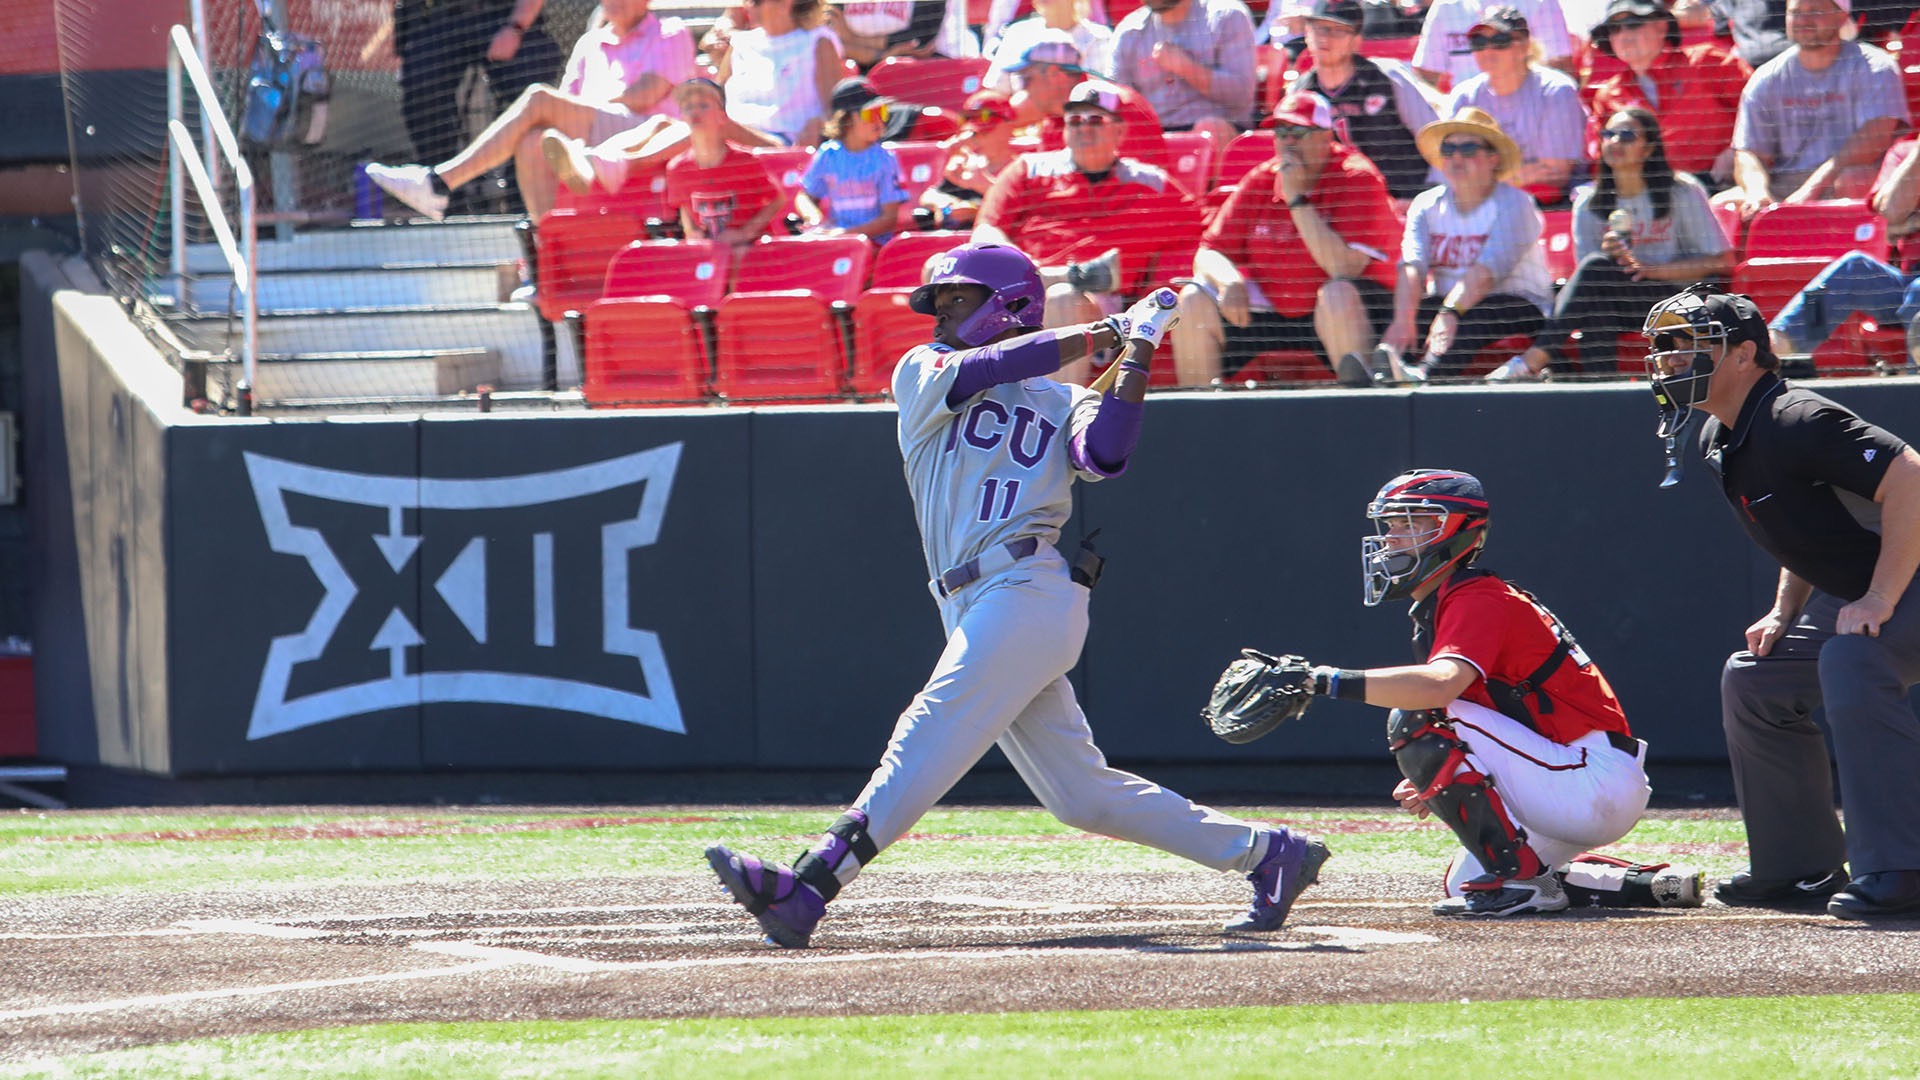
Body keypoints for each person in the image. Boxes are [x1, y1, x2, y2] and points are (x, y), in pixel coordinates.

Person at [703, 243, 1331, 947]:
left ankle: (811, 885)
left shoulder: (1067, 399)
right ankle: (1268, 854)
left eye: (957, 301)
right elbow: (992, 365)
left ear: (1008, 306)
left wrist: (1141, 348)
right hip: (970, 601)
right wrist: (1105, 332)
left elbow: (1107, 456)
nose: (941, 315)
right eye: (939, 303)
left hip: (1026, 588)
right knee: (1080, 795)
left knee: (929, 726)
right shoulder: (923, 371)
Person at [1245, 468, 1652, 915]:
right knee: (1466, 885)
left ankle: (1529, 881)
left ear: (1459, 531)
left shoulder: (1477, 595)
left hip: (1590, 776)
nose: (1393, 537)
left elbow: (1441, 688)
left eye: (1413, 523)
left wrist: (1321, 680)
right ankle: (1632, 884)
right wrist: (1444, 773)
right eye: (1392, 525)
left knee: (1420, 715)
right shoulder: (1452, 600)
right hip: (1573, 778)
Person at [1642, 284, 1920, 918]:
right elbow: (1801, 530)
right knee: (1754, 680)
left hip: (1899, 584)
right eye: (1666, 348)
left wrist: (1879, 596)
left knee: (1855, 661)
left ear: (1745, 355)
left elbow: (1911, 476)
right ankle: (1801, 866)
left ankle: (1903, 867)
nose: (1671, 360)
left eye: (1690, 346)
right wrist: (1784, 612)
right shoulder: (1720, 434)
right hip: (1874, 589)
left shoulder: (1796, 417)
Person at [366, 0, 696, 222]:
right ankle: (546, 245)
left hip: (646, 133)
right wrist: (570, 111)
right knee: (532, 140)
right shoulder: (589, 43)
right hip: (590, 133)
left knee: (538, 98)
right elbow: (567, 100)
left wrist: (574, 110)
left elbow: (645, 95)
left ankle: (439, 183)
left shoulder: (671, 31)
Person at [975, 80, 1201, 383]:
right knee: (941, 270)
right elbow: (986, 232)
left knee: (1062, 297)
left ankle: (1058, 420)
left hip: (1106, 310)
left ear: (1119, 130)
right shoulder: (1028, 170)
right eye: (1075, 120)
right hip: (1019, 296)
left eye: (1095, 120)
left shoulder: (1153, 184)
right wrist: (1027, 271)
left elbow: (1206, 236)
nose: (1084, 128)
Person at [1169, 93, 1402, 386]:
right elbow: (1208, 252)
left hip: (1348, 311)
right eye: (1281, 133)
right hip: (1274, 309)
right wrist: (1228, 280)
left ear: (1326, 137)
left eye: (1298, 132)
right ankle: (1198, 417)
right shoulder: (1262, 179)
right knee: (1192, 298)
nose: (1288, 142)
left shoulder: (1356, 176)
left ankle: (1364, 401)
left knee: (1337, 294)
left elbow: (1344, 268)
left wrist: (1296, 200)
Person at [1503, 107, 1730, 379]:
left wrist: (1651, 270)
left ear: (1648, 149)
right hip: (1622, 300)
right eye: (1608, 134)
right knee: (1598, 296)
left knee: (1598, 275)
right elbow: (1587, 278)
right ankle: (1602, 391)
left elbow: (1722, 262)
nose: (1614, 142)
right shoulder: (1588, 203)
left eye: (1626, 135)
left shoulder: (1682, 191)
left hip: (1677, 302)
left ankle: (1534, 360)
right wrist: (1613, 256)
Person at [1378, 108, 1552, 381]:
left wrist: (1449, 313)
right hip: (1453, 304)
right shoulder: (1426, 205)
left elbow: (1485, 273)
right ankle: (1387, 368)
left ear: (1493, 158)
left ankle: (1424, 376)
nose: (1456, 157)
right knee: (1414, 309)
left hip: (1518, 307)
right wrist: (1403, 318)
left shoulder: (1515, 203)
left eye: (1468, 148)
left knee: (1479, 314)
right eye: (1448, 149)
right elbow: (1412, 266)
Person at [1721, 0, 1908, 215]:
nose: (1803, 20)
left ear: (1841, 16)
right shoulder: (1766, 77)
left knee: (1854, 180)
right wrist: (1757, 194)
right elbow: (1748, 153)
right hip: (1784, 185)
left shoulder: (1876, 67)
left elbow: (1873, 141)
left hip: (1843, 179)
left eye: (1814, 11)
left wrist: (1811, 189)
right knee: (1721, 207)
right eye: (1795, 12)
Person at [391, 0, 565, 209]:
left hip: (504, 17)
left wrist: (516, 27)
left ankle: (521, 202)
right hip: (441, 20)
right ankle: (441, 195)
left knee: (532, 77)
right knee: (421, 85)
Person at [1765, 139, 1920, 368]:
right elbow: (1890, 212)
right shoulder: (1904, 152)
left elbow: (1895, 226)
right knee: (1853, 268)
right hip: (1905, 285)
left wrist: (1909, 223)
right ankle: (1773, 356)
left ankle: (1912, 386)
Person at [1290, 0, 1442, 203]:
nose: (1325, 37)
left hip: (1406, 200)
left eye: (1338, 31)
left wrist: (1431, 196)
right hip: (1341, 208)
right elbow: (1293, 156)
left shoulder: (1387, 76)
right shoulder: (1301, 92)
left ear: (1356, 40)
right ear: (1307, 34)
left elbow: (1435, 136)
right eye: (1319, 28)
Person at [1585, 0, 1751, 186]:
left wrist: (1737, 152)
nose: (1623, 35)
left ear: (1662, 26)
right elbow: (1604, 164)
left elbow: (1763, 113)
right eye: (1614, 29)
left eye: (1633, 24)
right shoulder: (1608, 95)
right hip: (1653, 197)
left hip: (1725, 184)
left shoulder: (1706, 62)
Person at [1442, 6, 1589, 206]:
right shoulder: (1463, 96)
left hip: (1554, 206)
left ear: (1524, 46)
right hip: (1484, 206)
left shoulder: (1556, 90)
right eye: (1479, 42)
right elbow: (1453, 170)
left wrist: (1482, 177)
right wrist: (1520, 175)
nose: (1487, 50)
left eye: (1500, 41)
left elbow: (1555, 176)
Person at [1005, 32, 1170, 168]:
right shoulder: (1053, 121)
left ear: (1054, 74)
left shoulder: (1120, 108)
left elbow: (1141, 185)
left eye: (1025, 79)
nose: (1022, 89)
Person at [1109, 0, 1258, 147]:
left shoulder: (1227, 15)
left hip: (1217, 135)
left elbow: (1242, 95)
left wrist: (1186, 67)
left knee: (1211, 127)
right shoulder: (1128, 32)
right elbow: (1114, 102)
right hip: (1154, 138)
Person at [659, 79, 785, 248]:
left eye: (703, 105)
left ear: (722, 116)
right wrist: (692, 234)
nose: (695, 111)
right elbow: (684, 207)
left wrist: (745, 233)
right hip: (710, 253)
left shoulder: (744, 161)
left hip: (751, 251)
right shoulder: (677, 168)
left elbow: (777, 200)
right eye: (688, 107)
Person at [795, 78, 909, 240]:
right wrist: (814, 219)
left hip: (873, 245)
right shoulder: (828, 154)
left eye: (882, 112)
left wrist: (845, 235)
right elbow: (804, 196)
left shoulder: (885, 159)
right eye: (870, 114)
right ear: (846, 119)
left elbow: (889, 219)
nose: (879, 121)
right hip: (836, 242)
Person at [720, 0, 844, 147]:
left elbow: (832, 109)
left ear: (785, 3)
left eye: (755, 1)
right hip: (729, 143)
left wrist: (815, 128)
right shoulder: (740, 43)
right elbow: (714, 97)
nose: (747, 6)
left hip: (786, 144)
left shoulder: (818, 41)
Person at [919, 90, 1021, 229]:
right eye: (973, 134)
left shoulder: (1020, 169)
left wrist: (976, 211)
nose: (976, 140)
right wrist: (945, 205)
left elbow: (1023, 214)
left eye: (984, 132)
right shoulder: (966, 164)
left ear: (1008, 127)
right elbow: (929, 195)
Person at [1413, 0, 1571, 89]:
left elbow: (1560, 65)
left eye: (1500, 41)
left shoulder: (1539, 2)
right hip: (1468, 120)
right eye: (1479, 42)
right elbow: (1426, 75)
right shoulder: (1446, 6)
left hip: (1530, 113)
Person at [985, 0, 1116, 90]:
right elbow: (996, 88)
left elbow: (1101, 94)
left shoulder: (1100, 36)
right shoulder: (1018, 32)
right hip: (1023, 124)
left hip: (1077, 121)